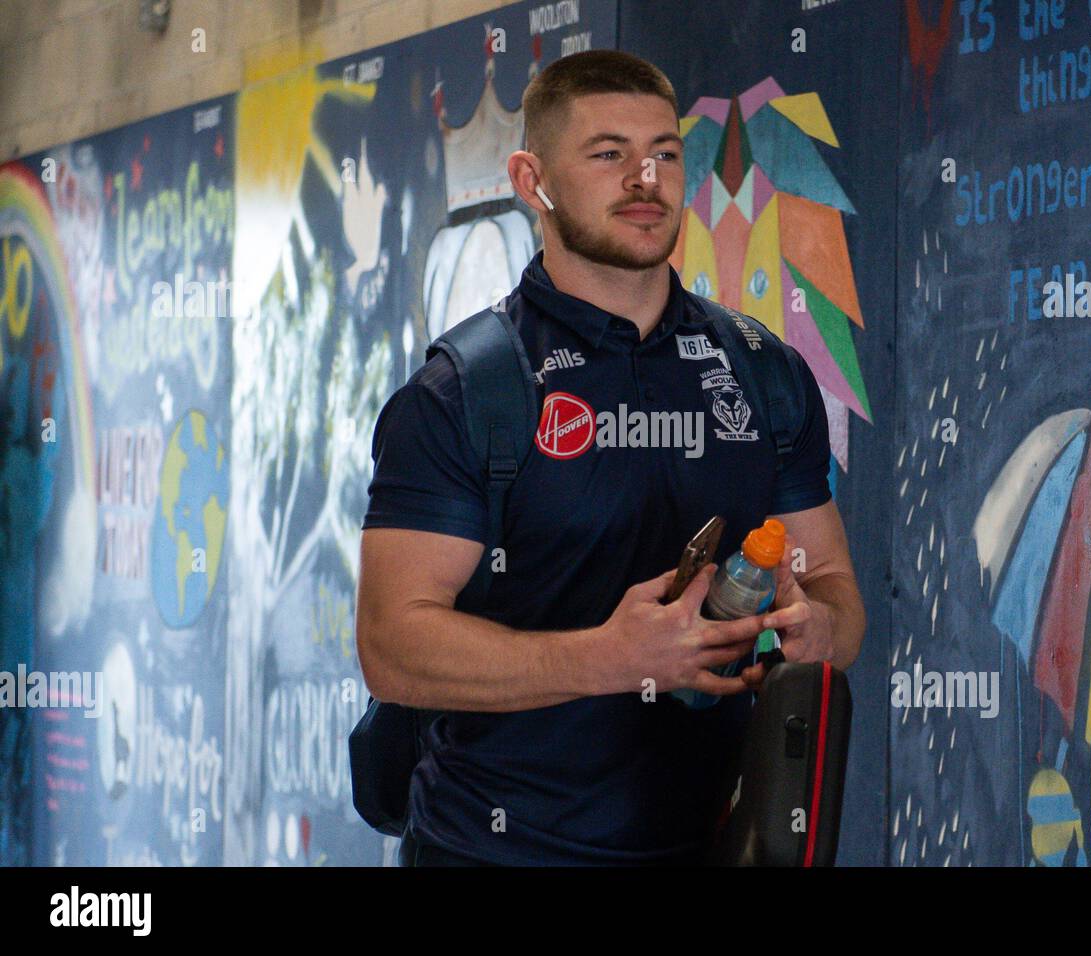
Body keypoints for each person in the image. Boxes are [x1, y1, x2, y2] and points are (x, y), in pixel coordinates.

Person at [356, 49, 865, 866]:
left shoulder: (761, 370)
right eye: (608, 155)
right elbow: (392, 646)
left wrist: (814, 632)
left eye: (665, 153)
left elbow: (839, 597)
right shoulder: (466, 393)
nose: (647, 179)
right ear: (532, 180)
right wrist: (607, 658)